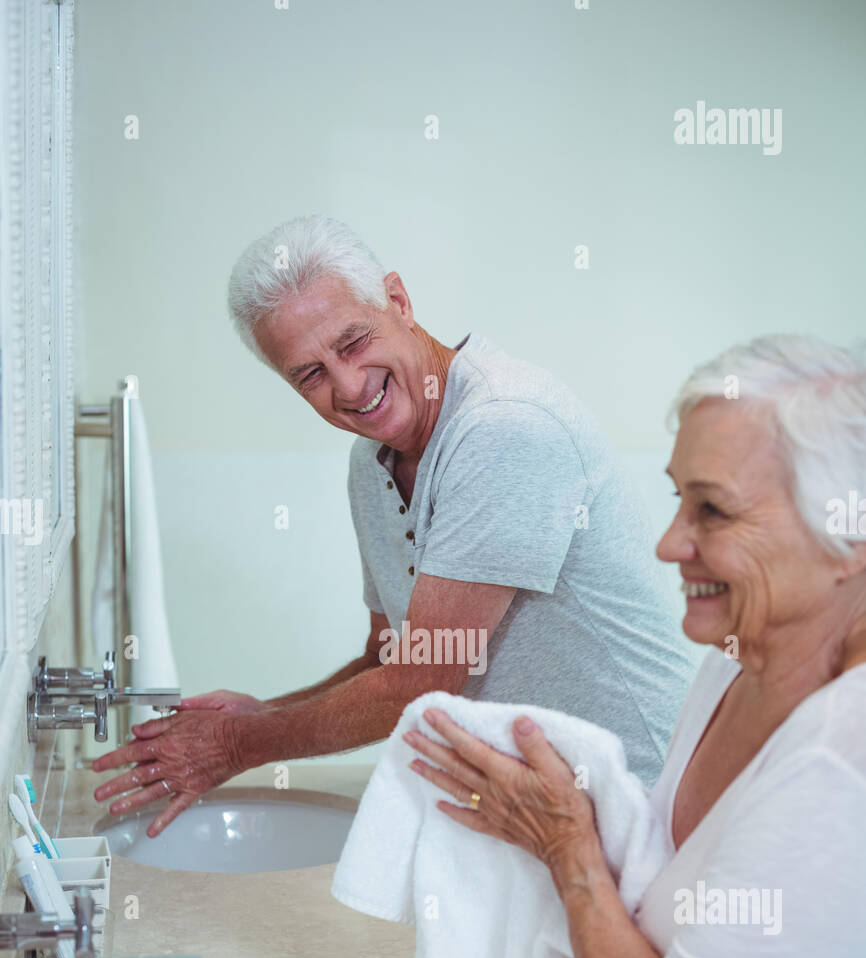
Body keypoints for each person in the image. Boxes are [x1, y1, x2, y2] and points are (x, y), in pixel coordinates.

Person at [401, 334, 866, 958]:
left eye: (714, 510)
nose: (668, 543)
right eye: (676, 497)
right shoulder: (735, 660)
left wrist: (569, 848)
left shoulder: (841, 764)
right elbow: (679, 903)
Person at [93, 214, 694, 834]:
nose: (349, 386)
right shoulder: (371, 461)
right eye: (310, 374)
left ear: (399, 302)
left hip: (640, 805)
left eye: (352, 343)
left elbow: (420, 679)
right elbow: (389, 658)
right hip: (539, 812)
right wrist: (258, 715)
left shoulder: (503, 426)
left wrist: (240, 744)